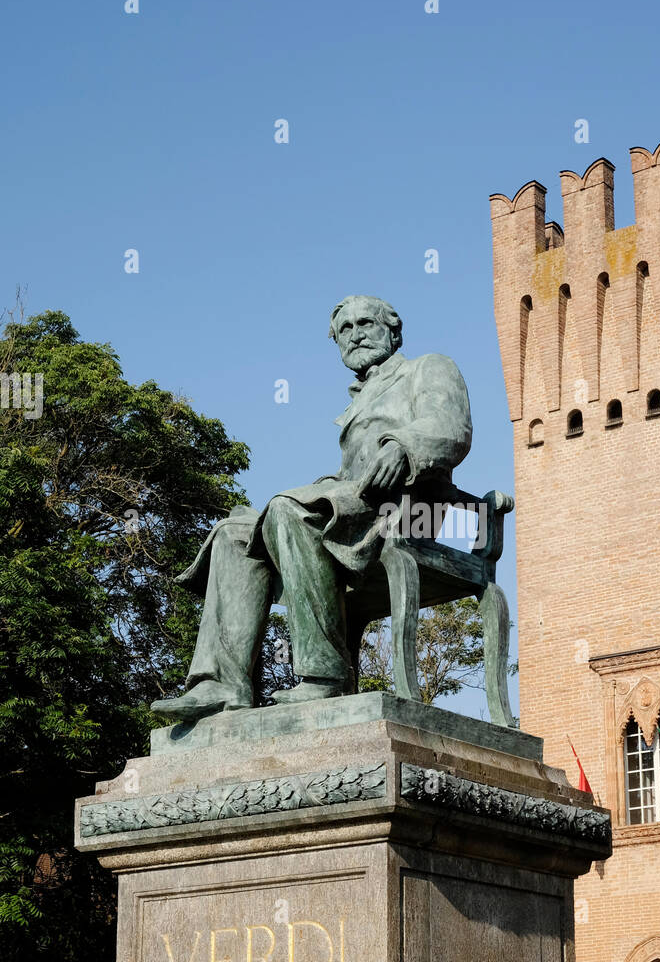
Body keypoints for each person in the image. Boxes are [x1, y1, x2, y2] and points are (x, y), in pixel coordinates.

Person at [150, 294, 472, 722]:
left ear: (393, 330)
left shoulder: (428, 368)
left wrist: (403, 446)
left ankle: (325, 677)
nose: (355, 335)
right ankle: (223, 684)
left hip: (406, 511)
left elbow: (451, 428)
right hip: (355, 507)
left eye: (365, 324)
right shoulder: (360, 397)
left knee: (286, 509)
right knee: (234, 532)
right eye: (345, 330)